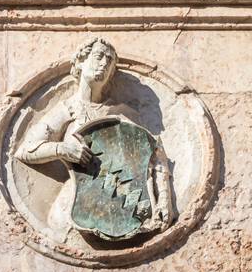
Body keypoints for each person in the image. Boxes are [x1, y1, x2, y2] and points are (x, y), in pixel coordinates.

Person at [16, 37, 174, 237]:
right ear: (80, 61)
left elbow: (154, 154)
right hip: (75, 204)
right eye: (99, 56)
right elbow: (26, 149)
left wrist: (164, 199)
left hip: (121, 202)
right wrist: (62, 149)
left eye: (110, 61)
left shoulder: (122, 113)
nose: (104, 64)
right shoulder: (68, 109)